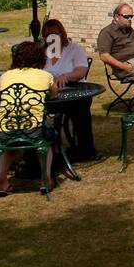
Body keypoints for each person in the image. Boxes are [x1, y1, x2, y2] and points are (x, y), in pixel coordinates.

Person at [0, 41, 57, 196]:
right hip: (33, 129)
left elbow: (0, 93)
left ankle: (2, 177)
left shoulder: (5, 76)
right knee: (47, 141)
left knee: (10, 145)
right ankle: (46, 178)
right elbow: (53, 95)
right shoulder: (46, 76)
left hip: (5, 128)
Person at [42, 19, 97, 162]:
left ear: (62, 34)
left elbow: (81, 71)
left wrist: (66, 76)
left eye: (54, 34)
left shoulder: (74, 49)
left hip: (73, 92)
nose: (51, 38)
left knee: (81, 108)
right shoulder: (42, 53)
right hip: (50, 96)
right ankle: (43, 151)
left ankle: (85, 150)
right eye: (47, 35)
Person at [97, 3, 134, 80]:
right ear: (116, 17)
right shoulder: (107, 32)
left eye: (131, 16)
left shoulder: (130, 30)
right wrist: (124, 67)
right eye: (126, 16)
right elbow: (104, 56)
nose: (130, 19)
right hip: (126, 68)